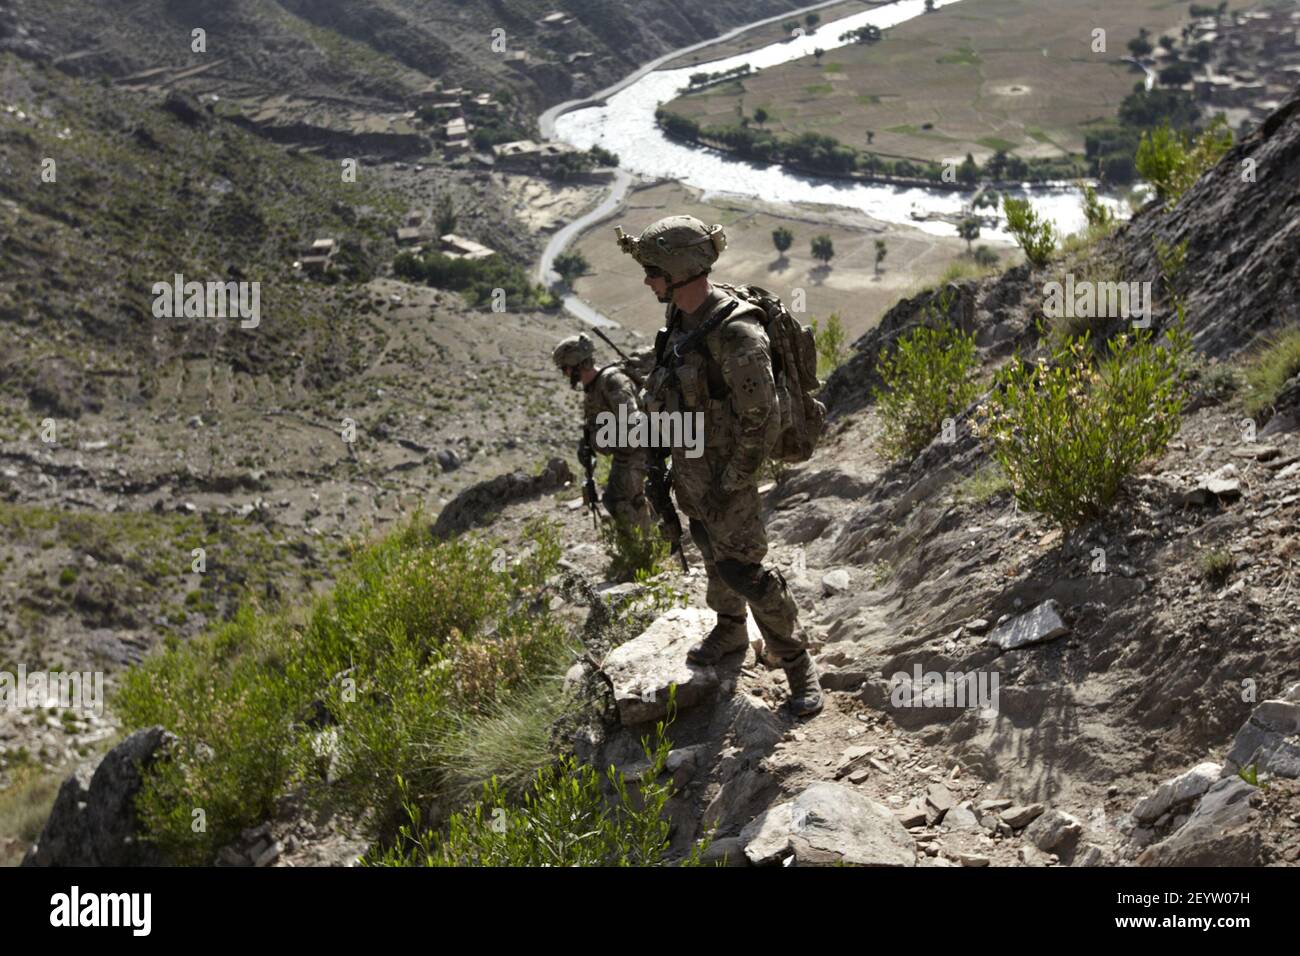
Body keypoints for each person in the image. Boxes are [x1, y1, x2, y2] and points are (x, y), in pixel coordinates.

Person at [617, 215, 823, 717]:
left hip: (727, 477)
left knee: (745, 570)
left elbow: (762, 422)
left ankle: (797, 664)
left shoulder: (735, 334)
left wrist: (730, 485)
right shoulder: (682, 321)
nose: (647, 280)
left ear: (679, 270)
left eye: (652, 270)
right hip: (692, 468)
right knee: (711, 551)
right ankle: (730, 631)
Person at [551, 333, 653, 540]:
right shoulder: (593, 388)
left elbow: (634, 425)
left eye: (565, 368)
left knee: (623, 502)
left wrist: (599, 440)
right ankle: (640, 541)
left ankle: (644, 544)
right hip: (625, 454)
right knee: (616, 500)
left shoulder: (612, 381)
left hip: (638, 453)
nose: (565, 374)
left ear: (576, 365)